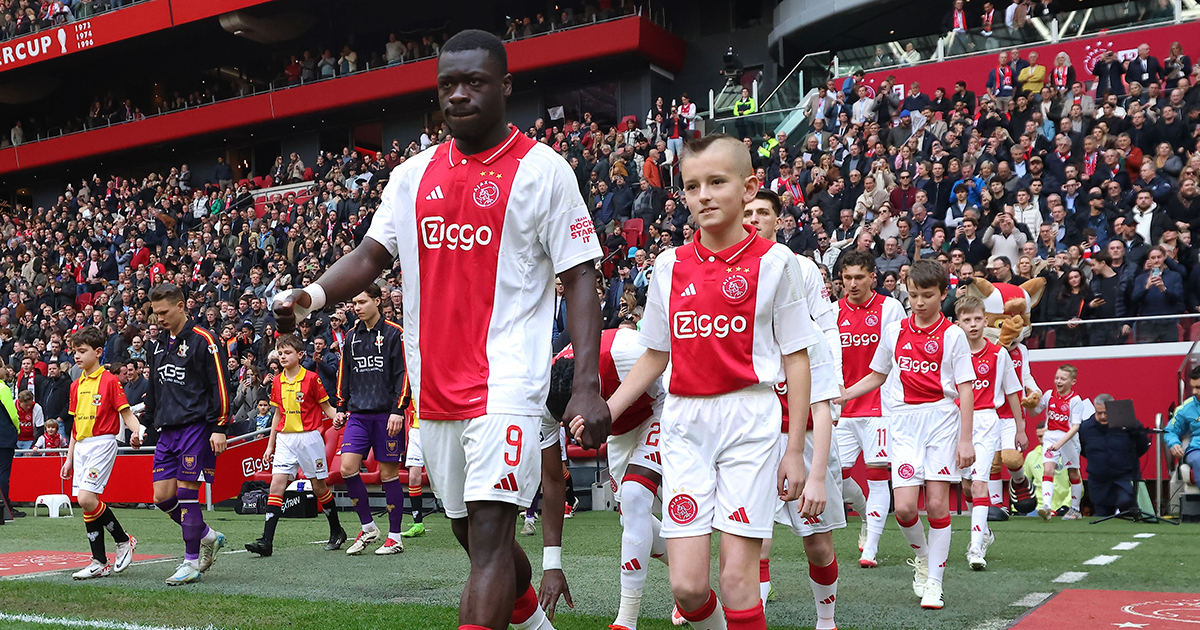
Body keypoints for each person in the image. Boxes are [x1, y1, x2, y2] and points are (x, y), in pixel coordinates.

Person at [272, 30, 609, 630]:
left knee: (489, 534)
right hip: (434, 390)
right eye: (447, 84)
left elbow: (581, 274)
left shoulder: (543, 171)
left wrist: (587, 383)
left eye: (474, 82)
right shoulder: (412, 175)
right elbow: (371, 255)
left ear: (505, 85)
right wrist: (312, 297)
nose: (457, 94)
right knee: (472, 534)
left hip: (507, 383)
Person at [586, 134, 815, 630]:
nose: (704, 195)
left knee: (737, 581)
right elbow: (655, 354)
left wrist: (795, 449)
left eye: (717, 182)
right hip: (685, 423)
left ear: (748, 187)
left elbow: (797, 359)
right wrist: (608, 410)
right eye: (692, 186)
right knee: (688, 588)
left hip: (750, 422)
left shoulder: (777, 263)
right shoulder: (669, 265)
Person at [839, 259, 975, 610]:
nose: (919, 302)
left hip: (941, 420)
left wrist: (966, 439)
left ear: (943, 294)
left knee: (937, 504)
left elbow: (965, 389)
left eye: (927, 295)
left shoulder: (953, 335)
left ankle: (934, 583)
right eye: (913, 295)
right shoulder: (895, 330)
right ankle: (925, 558)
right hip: (903, 423)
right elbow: (878, 375)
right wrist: (845, 395)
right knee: (903, 509)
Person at [743, 189, 843, 613]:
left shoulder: (800, 273)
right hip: (758, 439)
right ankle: (755, 610)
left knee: (818, 544)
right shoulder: (744, 328)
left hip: (803, 438)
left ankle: (826, 618)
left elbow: (825, 331)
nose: (754, 218)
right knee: (754, 538)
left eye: (762, 212)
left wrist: (816, 472)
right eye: (748, 212)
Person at [548, 318, 665, 630]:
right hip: (620, 427)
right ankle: (689, 578)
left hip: (661, 406)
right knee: (631, 517)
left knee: (635, 495)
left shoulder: (623, 350)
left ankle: (626, 621)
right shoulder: (550, 388)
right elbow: (551, 471)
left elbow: (672, 368)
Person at [145, 283, 229, 586]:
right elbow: (154, 387)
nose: (159, 318)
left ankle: (191, 562)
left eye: (164, 312)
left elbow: (220, 384)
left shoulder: (205, 340)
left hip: (196, 427)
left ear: (181, 306)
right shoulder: (157, 344)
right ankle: (207, 535)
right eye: (156, 313)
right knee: (162, 498)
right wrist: (147, 422)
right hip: (167, 429)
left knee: (186, 494)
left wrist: (219, 427)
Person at [833, 250, 906, 568]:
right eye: (847, 277)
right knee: (836, 475)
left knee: (877, 475)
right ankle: (864, 515)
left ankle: (871, 548)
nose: (852, 284)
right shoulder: (832, 313)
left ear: (873, 278)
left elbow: (899, 358)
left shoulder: (890, 308)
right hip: (843, 407)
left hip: (881, 406)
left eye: (859, 277)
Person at [245, 335, 347, 557]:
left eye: (288, 353)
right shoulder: (277, 381)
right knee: (276, 486)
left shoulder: (312, 378)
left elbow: (326, 407)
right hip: (285, 439)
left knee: (319, 487)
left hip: (309, 438)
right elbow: (277, 415)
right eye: (280, 353)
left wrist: (338, 418)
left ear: (300, 355)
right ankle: (266, 541)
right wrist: (270, 446)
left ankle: (337, 530)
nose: (283, 357)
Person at [60, 327, 142, 580]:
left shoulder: (109, 381)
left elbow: (126, 413)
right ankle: (99, 561)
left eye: (82, 351)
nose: (76, 356)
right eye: (74, 351)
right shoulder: (75, 385)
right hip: (82, 447)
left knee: (86, 498)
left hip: (102, 443)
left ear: (97, 352)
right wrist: (69, 458)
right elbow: (75, 427)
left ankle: (123, 540)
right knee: (87, 502)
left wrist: (138, 431)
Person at [334, 285, 409, 556]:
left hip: (387, 415)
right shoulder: (351, 337)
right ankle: (368, 527)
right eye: (354, 303)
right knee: (347, 468)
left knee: (388, 475)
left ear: (378, 301)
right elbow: (344, 373)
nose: (357, 307)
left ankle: (395, 536)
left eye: (363, 302)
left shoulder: (395, 333)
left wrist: (398, 410)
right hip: (358, 414)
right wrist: (340, 406)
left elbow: (404, 373)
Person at [954, 298, 1023, 570]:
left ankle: (975, 547)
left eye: (977, 319)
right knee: (967, 486)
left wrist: (1020, 427)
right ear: (958, 324)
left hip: (986, 421)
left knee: (979, 484)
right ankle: (983, 530)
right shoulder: (952, 353)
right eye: (967, 320)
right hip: (957, 422)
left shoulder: (998, 354)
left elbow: (1012, 390)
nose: (972, 325)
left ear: (986, 321)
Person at [1030, 364, 1091, 521]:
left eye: (1063, 379)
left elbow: (1075, 427)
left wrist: (1060, 443)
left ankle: (1075, 509)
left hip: (1068, 438)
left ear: (1073, 382)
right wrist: (1028, 404)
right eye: (1057, 378)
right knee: (1048, 470)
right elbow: (1034, 412)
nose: (1058, 381)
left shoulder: (1075, 400)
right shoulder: (1049, 395)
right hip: (1050, 436)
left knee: (1073, 472)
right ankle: (1047, 507)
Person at [1081, 393, 1151, 517]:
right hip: (1099, 482)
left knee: (1126, 503)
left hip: (1124, 478)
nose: (1103, 417)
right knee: (1102, 515)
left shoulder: (1130, 425)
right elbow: (1082, 450)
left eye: (1106, 413)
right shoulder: (1085, 428)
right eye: (1099, 413)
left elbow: (1142, 446)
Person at [1167, 368, 1200, 487]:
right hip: (1197, 449)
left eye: (1198, 387)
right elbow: (1170, 431)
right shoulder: (1186, 408)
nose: (1194, 392)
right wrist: (1174, 444)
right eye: (1193, 387)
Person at [401, 410, 427, 538]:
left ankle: (462, 517)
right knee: (413, 477)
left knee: (447, 477)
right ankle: (418, 523)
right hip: (415, 431)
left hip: (435, 428)